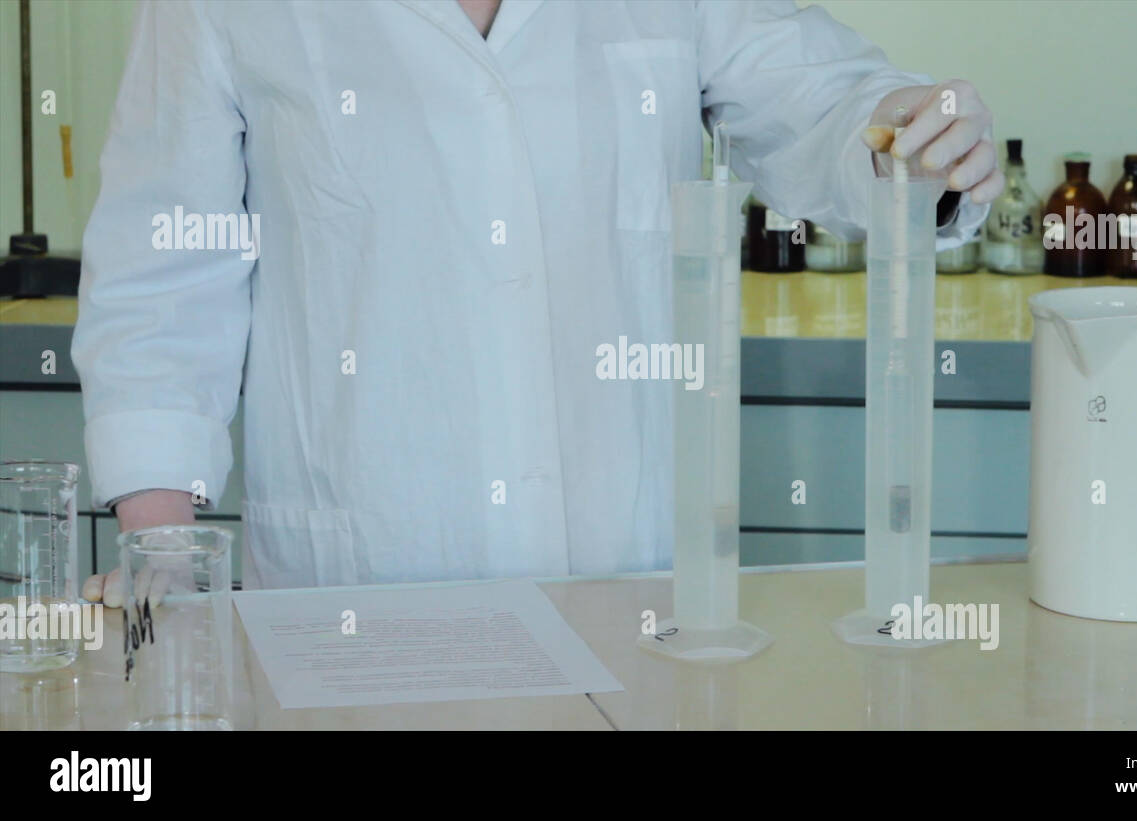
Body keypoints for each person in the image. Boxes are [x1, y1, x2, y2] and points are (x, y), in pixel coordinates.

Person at [77, 0, 1000, 605]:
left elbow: (824, 102)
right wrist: (166, 565)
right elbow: (165, 269)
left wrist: (911, 139)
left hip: (626, 585)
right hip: (355, 590)